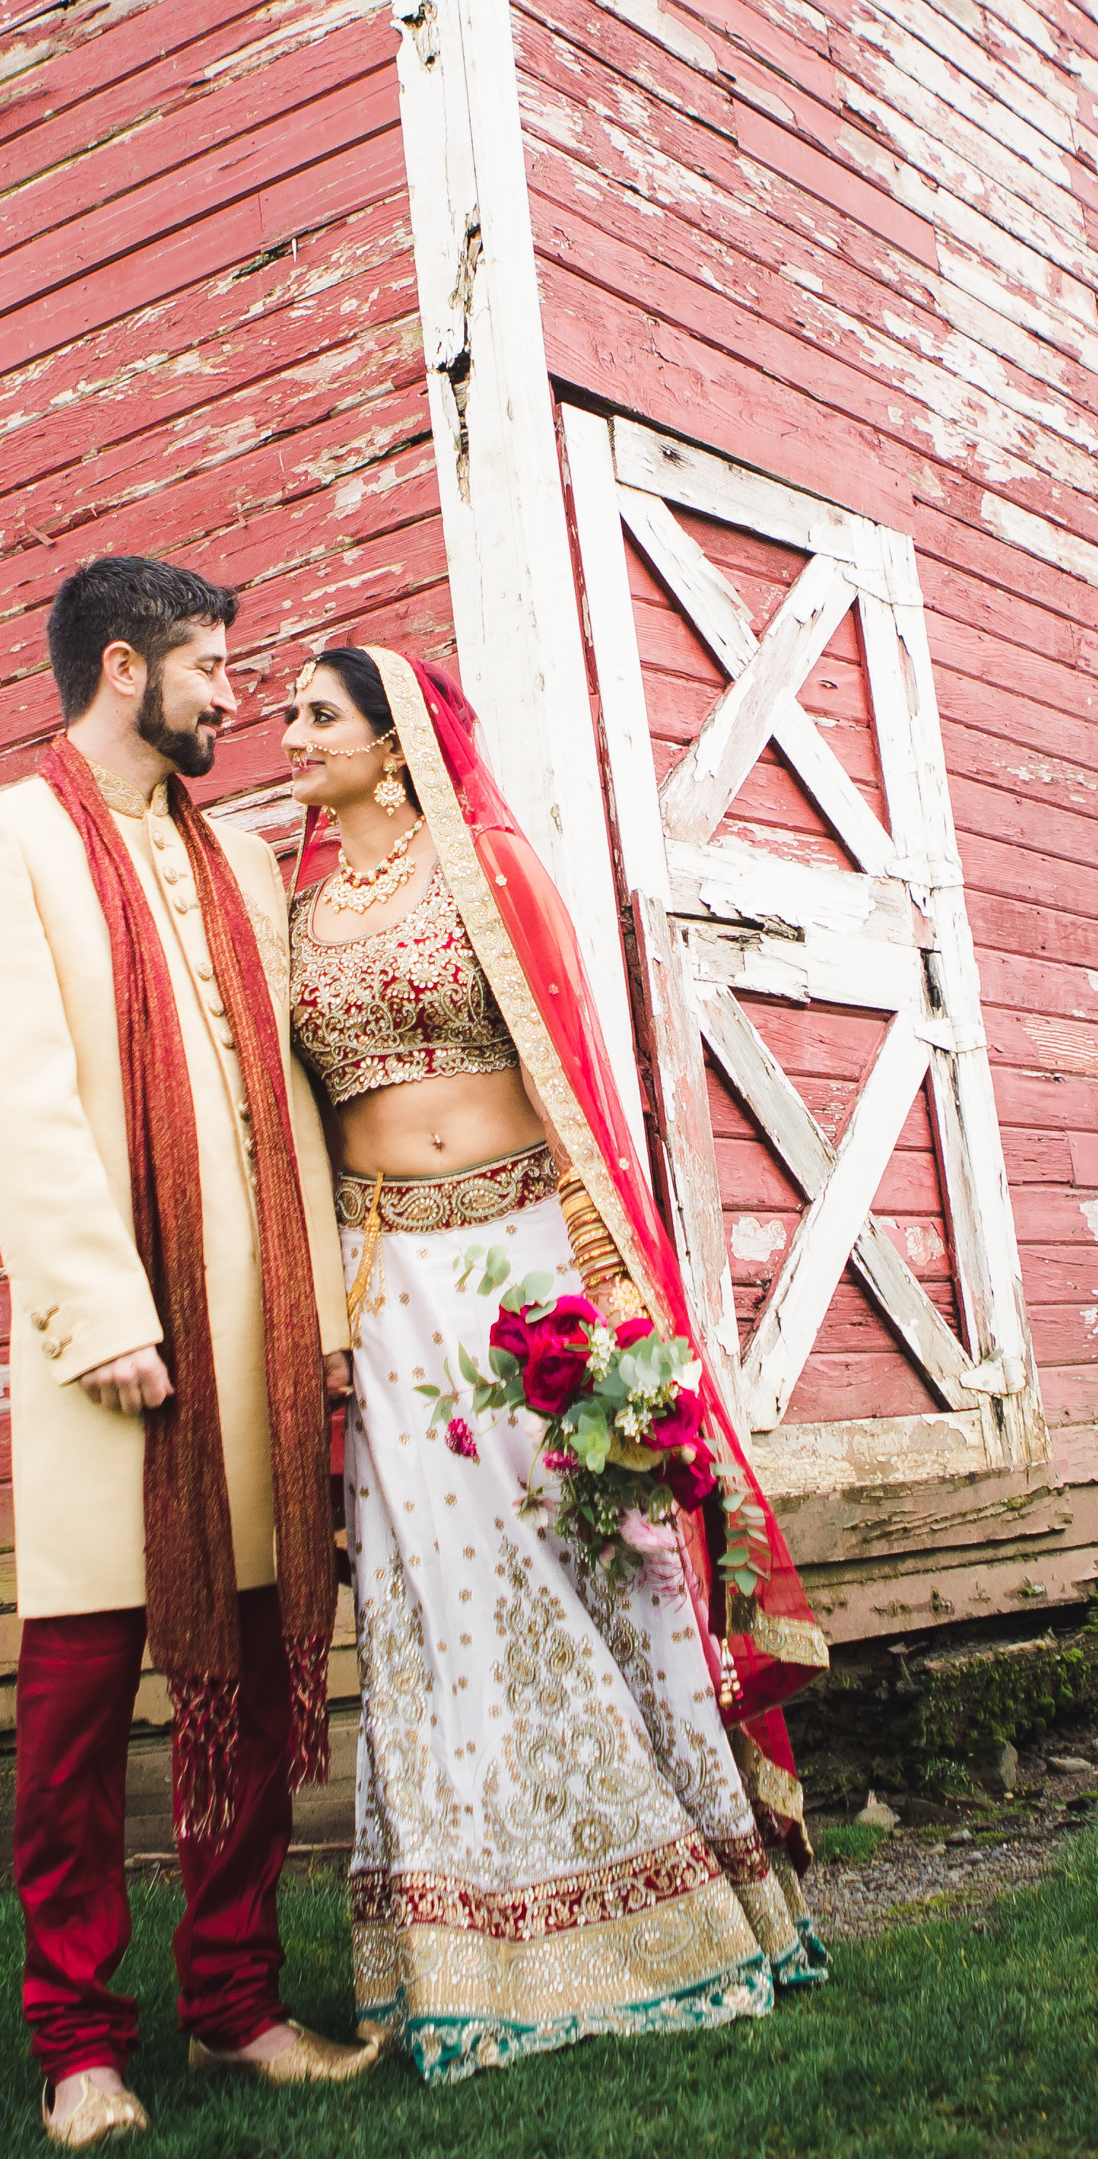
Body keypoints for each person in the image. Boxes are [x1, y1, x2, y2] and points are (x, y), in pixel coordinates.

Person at [272, 642, 833, 2082]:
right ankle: (481, 1948)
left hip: (525, 1259)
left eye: (316, 715)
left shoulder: (494, 872)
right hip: (394, 1285)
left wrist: (606, 1304)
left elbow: (567, 1082)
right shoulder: (297, 907)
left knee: (596, 1557)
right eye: (284, 714)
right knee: (449, 1593)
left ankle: (688, 1906)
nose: (287, 737)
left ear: (392, 742)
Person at [0, 557, 378, 2147]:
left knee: (256, 1697)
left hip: (262, 1345)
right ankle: (79, 2046)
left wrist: (324, 1315)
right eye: (210, 668)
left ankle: (238, 2002)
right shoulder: (1, 843)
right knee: (74, 1720)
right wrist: (99, 1311)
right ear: (123, 669)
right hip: (115, 1349)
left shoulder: (243, 865)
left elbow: (300, 1118)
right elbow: (14, 1097)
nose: (234, 696)